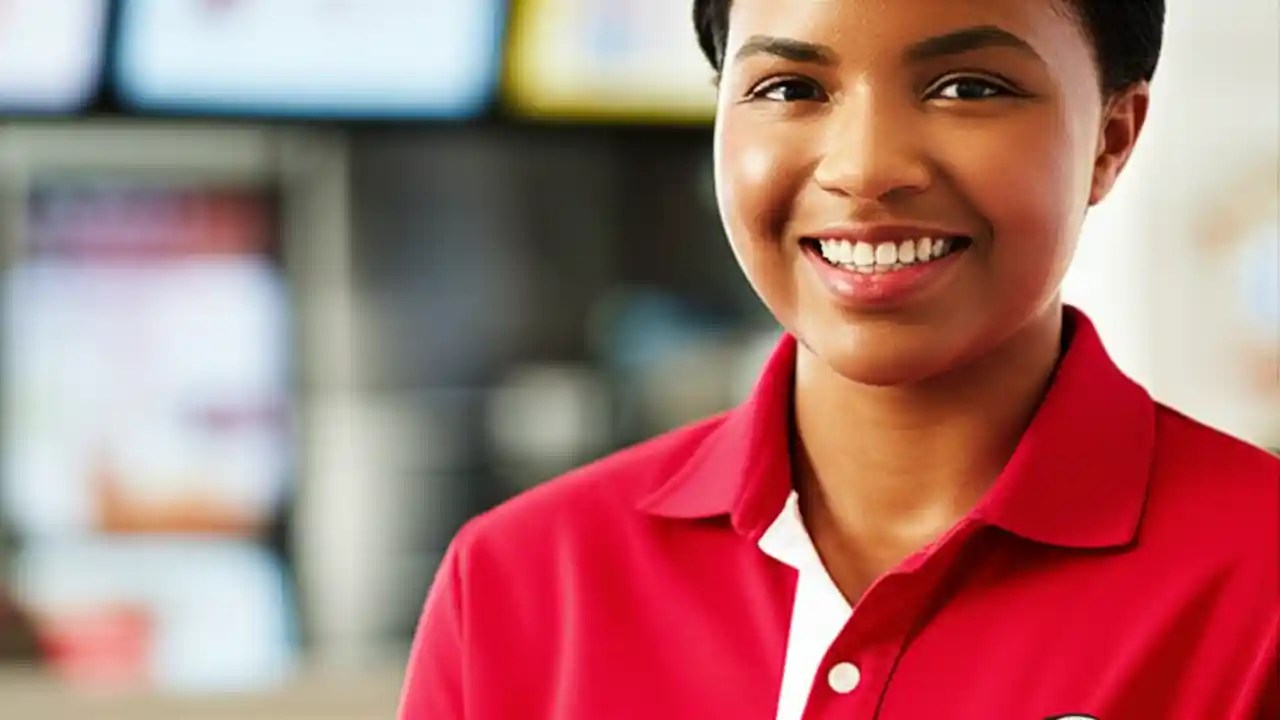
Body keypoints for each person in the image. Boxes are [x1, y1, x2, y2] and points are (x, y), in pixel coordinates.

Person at [400, 0, 1279, 717]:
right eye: (787, 87)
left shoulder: (1259, 581)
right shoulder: (519, 583)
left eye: (968, 87)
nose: (865, 168)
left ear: (1111, 139)